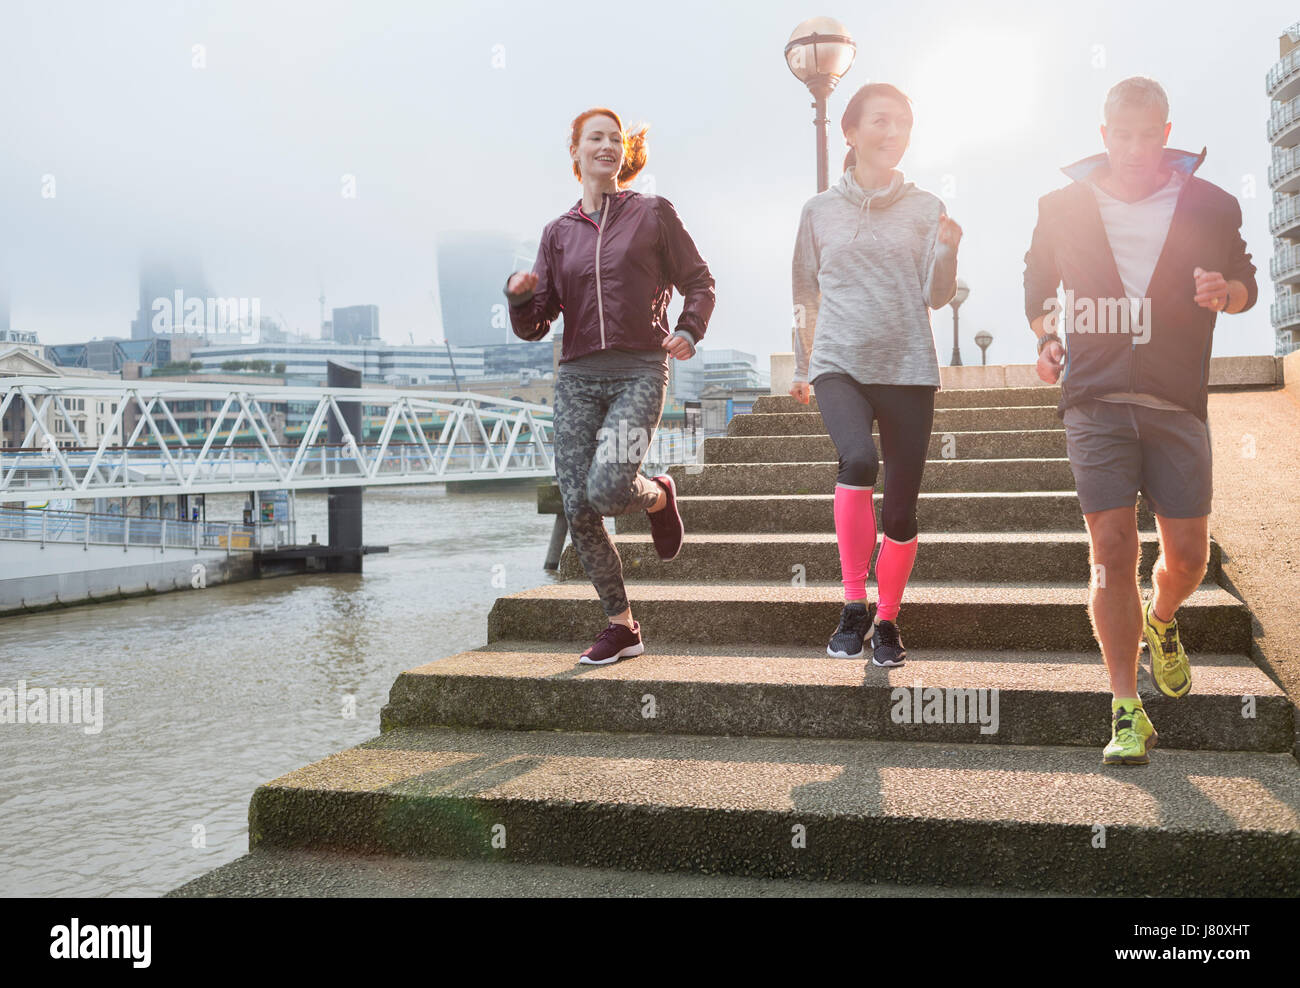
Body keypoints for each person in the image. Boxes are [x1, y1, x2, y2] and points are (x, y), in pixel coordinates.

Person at [1023, 76, 1257, 765]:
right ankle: (1126, 707)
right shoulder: (1060, 206)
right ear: (1104, 135)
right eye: (1118, 135)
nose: (1131, 148)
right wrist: (1047, 335)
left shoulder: (1212, 204)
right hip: (1094, 398)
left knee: (1189, 558)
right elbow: (1038, 288)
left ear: (1165, 132)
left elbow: (1246, 281)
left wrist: (1227, 292)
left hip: (1176, 397)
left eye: (1145, 134)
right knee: (1112, 550)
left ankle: (1163, 619)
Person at [505, 107, 715, 666]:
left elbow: (699, 281)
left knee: (604, 490)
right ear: (574, 152)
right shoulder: (557, 234)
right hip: (577, 376)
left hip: (639, 369)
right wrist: (521, 298)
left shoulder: (652, 214)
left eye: (614, 138)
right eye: (594, 138)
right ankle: (621, 626)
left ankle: (657, 494)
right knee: (578, 507)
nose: (606, 145)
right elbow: (536, 325)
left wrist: (690, 328)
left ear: (624, 154)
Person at [790, 83, 961, 668]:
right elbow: (805, 294)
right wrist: (803, 362)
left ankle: (887, 621)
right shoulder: (817, 212)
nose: (893, 134)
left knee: (901, 512)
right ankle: (853, 605)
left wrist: (948, 253)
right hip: (839, 364)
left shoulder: (925, 206)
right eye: (881, 121)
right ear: (851, 131)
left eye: (904, 124)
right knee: (857, 461)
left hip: (908, 367)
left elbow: (935, 295)